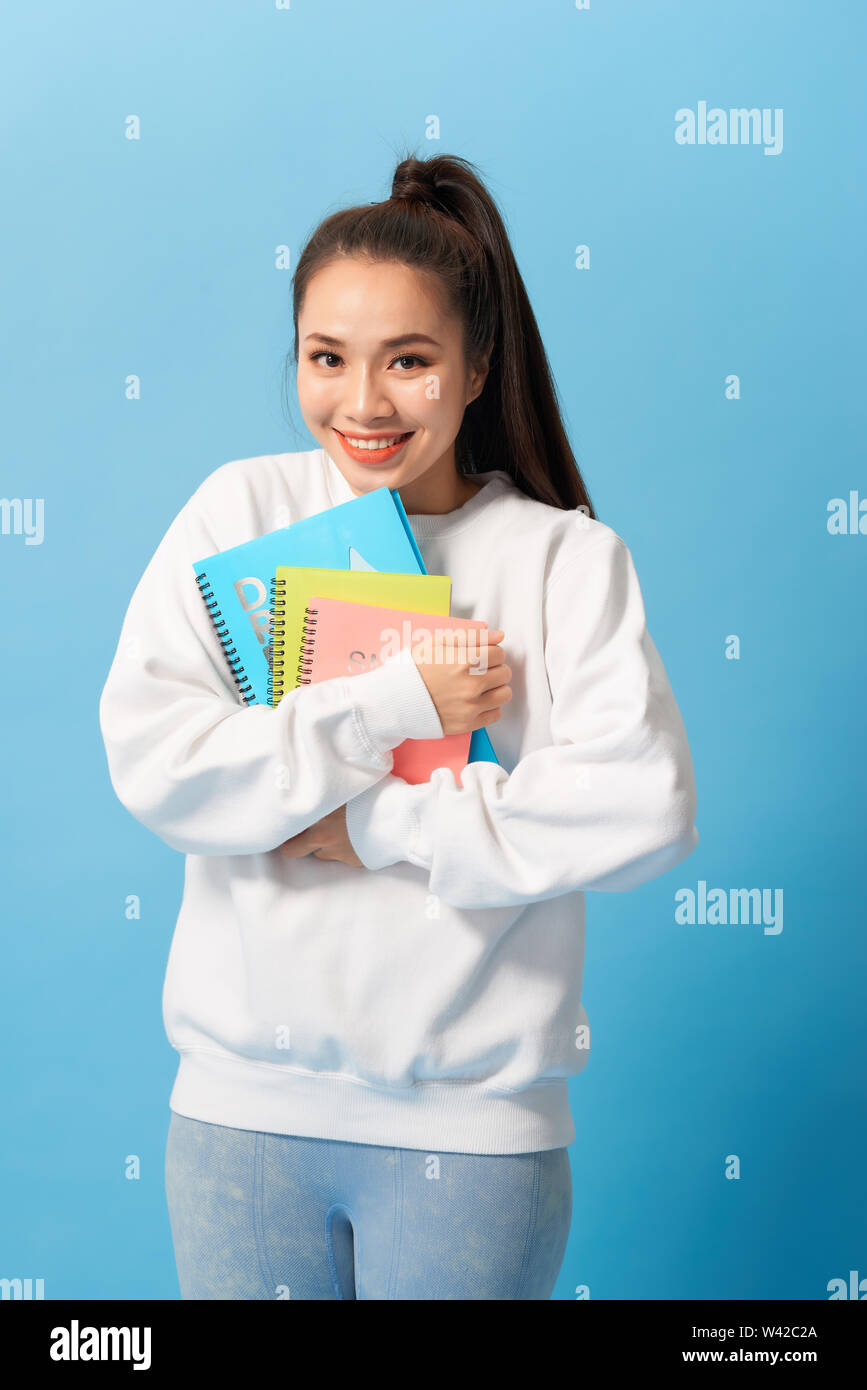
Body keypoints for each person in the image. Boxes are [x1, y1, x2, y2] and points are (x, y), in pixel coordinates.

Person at [98, 151, 699, 1300]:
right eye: (327, 358)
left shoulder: (565, 559)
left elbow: (644, 807)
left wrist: (375, 825)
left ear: (476, 369)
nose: (362, 404)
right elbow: (158, 762)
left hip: (470, 1136)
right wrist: (397, 704)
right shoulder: (242, 512)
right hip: (238, 1122)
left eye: (409, 362)